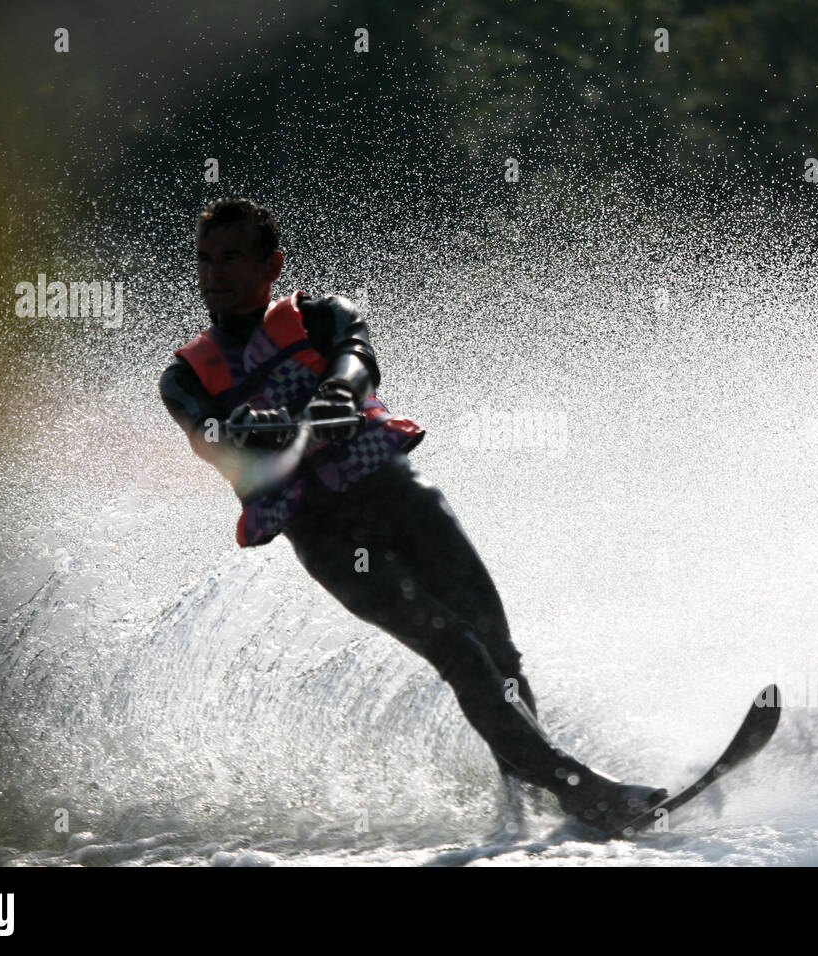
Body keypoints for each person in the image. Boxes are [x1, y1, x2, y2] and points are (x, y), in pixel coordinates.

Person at [159, 197, 666, 832]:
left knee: (497, 649)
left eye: (231, 258)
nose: (214, 273)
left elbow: (357, 357)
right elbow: (206, 435)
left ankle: (534, 803)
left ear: (272, 266)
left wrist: (341, 388)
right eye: (205, 261)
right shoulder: (186, 375)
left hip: (396, 494)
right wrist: (241, 428)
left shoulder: (321, 315)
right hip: (330, 539)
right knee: (455, 648)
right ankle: (582, 790)